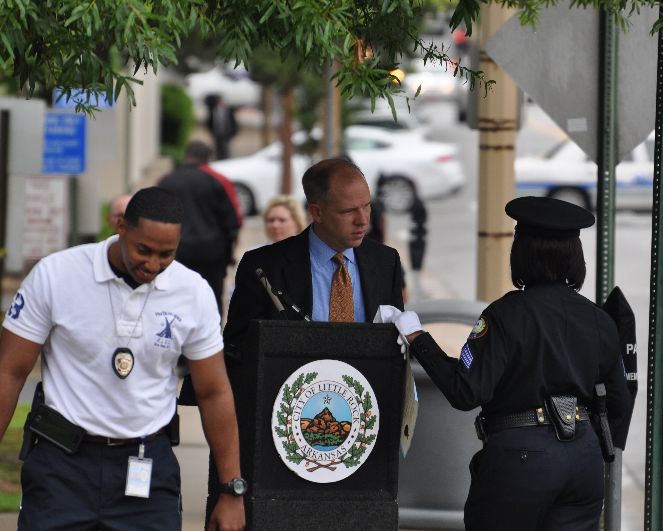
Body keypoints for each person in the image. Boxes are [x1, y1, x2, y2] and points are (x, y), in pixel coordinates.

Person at [0, 187, 245, 531]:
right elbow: (10, 372)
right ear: (120, 227)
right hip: (61, 467)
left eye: (166, 254)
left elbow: (214, 391)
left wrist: (231, 488)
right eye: (143, 249)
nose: (153, 263)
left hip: (146, 468)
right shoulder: (56, 274)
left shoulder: (193, 293)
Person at [386, 196, 635, 531]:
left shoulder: (505, 315)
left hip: (520, 459)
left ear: (521, 253)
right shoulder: (599, 321)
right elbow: (619, 400)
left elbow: (466, 391)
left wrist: (418, 338)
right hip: (583, 460)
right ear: (576, 257)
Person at [224, 157, 405, 355]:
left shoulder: (386, 261)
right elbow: (237, 348)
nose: (363, 220)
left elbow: (395, 346)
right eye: (348, 211)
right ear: (317, 212)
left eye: (367, 206)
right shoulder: (263, 267)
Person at [158, 140, 242, 312]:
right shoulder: (218, 180)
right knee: (211, 298)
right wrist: (230, 251)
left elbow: (156, 216)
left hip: (175, 252)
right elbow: (234, 220)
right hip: (211, 253)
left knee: (175, 299)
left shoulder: (167, 180)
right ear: (207, 158)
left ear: (186, 155)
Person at [205, 94, 238, 160]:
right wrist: (212, 131)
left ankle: (226, 160)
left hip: (226, 133)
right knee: (217, 149)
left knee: (226, 149)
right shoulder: (213, 110)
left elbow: (233, 122)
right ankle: (219, 160)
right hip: (217, 133)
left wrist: (233, 132)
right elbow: (209, 122)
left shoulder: (228, 110)